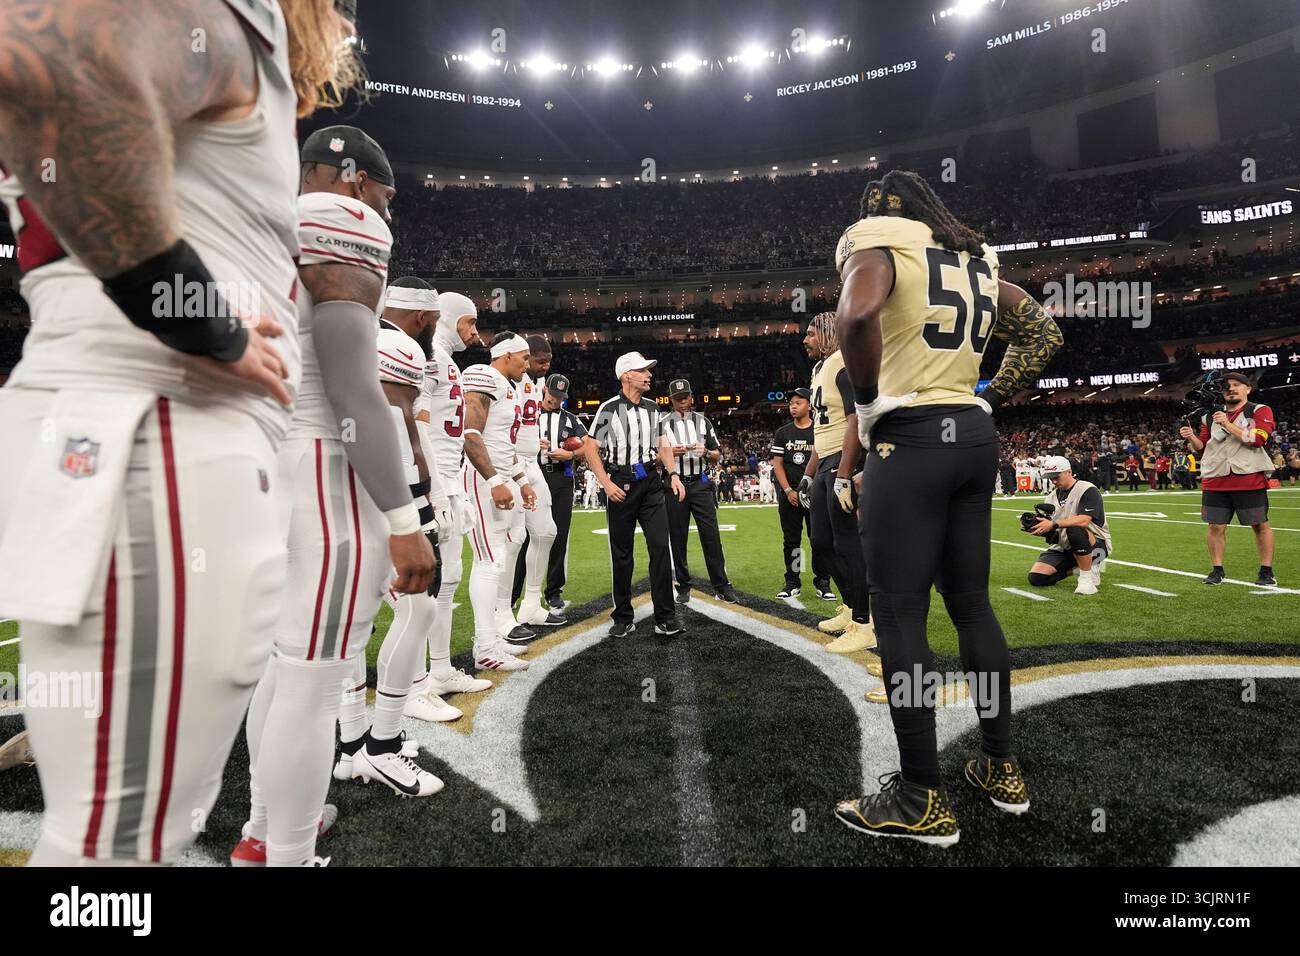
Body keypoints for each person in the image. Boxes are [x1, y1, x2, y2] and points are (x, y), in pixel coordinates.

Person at [0, 0, 359, 866]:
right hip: (154, 424)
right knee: (117, 849)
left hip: (137, 428)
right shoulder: (219, 14)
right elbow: (34, 60)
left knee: (120, 834)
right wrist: (203, 318)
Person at [833, 169, 1063, 844]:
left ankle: (919, 797)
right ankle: (1000, 766)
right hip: (973, 438)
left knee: (901, 615)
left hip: (911, 441)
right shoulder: (974, 259)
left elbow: (854, 315)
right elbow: (1044, 335)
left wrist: (871, 404)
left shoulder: (879, 242)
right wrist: (988, 394)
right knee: (971, 606)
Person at [235, 131, 440, 867]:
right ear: (355, 184)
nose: (387, 211)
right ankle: (282, 853)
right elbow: (355, 388)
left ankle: (266, 828)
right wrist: (404, 519)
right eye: (385, 197)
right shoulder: (343, 219)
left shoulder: (265, 221)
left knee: (287, 667)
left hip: (265, 465)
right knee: (316, 679)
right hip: (325, 467)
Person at [405, 291, 494, 715]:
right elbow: (417, 424)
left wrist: (455, 485)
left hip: (448, 478)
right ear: (449, 317)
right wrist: (436, 489)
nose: (475, 332)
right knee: (420, 585)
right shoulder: (426, 356)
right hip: (428, 481)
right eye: (469, 322)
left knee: (450, 578)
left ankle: (439, 669)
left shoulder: (445, 358)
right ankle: (413, 683)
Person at [583, 352, 686, 638]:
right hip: (622, 482)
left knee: (660, 549)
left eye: (649, 370)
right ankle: (623, 616)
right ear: (627, 375)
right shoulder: (609, 408)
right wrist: (605, 482)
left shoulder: (654, 408)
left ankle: (665, 616)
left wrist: (673, 474)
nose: (649, 375)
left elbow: (662, 443)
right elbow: (591, 447)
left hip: (651, 482)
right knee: (622, 554)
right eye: (642, 370)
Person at [798, 313, 874, 654]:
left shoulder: (843, 362)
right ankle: (851, 606)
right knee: (821, 542)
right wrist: (808, 473)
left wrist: (844, 473)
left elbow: (855, 418)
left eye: (811, 333)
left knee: (846, 543)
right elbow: (820, 431)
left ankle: (865, 621)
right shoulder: (819, 369)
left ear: (828, 333)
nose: (805, 340)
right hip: (825, 459)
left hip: (841, 460)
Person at [461, 332, 537, 670]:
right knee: (489, 561)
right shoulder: (484, 374)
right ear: (505, 355)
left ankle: (491, 640)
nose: (527, 363)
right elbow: (471, 433)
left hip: (501, 476)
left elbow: (504, 444)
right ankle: (485, 650)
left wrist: (520, 481)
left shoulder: (509, 386)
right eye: (523, 357)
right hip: (481, 478)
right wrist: (494, 480)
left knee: (500, 559)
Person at [1179, 371, 1277, 586]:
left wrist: (1226, 423)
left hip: (1248, 476)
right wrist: (1191, 437)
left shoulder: (1258, 410)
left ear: (1248, 389)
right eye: (1226, 386)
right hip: (1216, 477)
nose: (1231, 388)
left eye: (1236, 384)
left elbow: (1256, 439)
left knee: (1259, 524)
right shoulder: (1209, 416)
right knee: (1215, 526)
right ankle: (1217, 570)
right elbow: (1203, 448)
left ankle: (1266, 571)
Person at [500, 335, 563, 633]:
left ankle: (532, 604)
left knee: (546, 532)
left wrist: (532, 440)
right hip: (511, 465)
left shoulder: (536, 382)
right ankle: (501, 613)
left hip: (531, 461)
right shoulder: (507, 380)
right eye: (538, 361)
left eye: (546, 362)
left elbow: (524, 423)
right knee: (512, 541)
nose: (543, 367)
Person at [660, 378, 739, 605]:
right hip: (675, 484)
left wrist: (705, 452)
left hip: (700, 483)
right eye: (678, 398)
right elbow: (655, 457)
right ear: (671, 400)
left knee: (711, 535)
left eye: (685, 397)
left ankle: (721, 584)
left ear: (691, 397)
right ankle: (683, 585)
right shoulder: (662, 423)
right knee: (678, 536)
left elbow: (717, 454)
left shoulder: (703, 422)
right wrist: (671, 454)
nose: (682, 401)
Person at [530, 373, 589, 613]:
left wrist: (571, 455)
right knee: (525, 535)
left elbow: (587, 444)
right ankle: (516, 592)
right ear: (545, 389)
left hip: (560, 477)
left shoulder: (570, 419)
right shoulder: (531, 415)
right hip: (533, 474)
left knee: (559, 535)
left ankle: (554, 591)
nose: (556, 400)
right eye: (553, 395)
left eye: (560, 397)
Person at [771, 389, 834, 600]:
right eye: (791, 403)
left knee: (819, 539)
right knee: (791, 541)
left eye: (798, 402)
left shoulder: (820, 431)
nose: (793, 406)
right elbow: (777, 464)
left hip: (815, 495)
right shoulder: (783, 433)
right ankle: (792, 581)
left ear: (810, 405)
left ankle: (823, 582)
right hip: (790, 495)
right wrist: (788, 490)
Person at [1025, 456, 1112, 595]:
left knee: (1075, 528)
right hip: (1065, 546)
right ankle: (1081, 569)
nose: (1053, 481)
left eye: (1056, 476)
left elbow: (1083, 520)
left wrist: (1053, 524)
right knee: (1037, 578)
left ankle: (1086, 579)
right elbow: (1055, 531)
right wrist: (1041, 527)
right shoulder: (1051, 496)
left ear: (1069, 472)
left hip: (1096, 547)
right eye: (1050, 477)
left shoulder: (1087, 489)